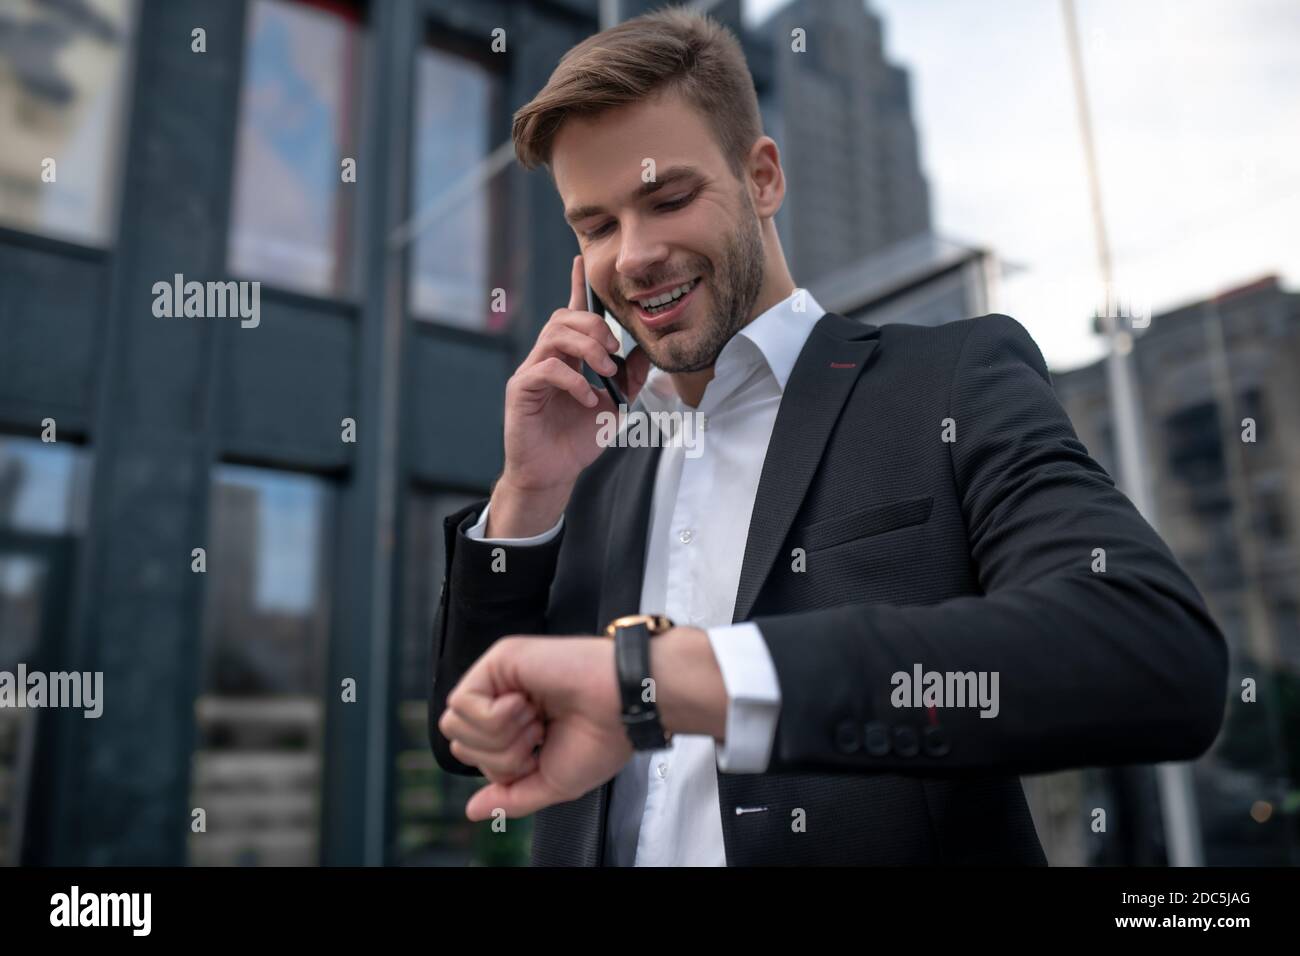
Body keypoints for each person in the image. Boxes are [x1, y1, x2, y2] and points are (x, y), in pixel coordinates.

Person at [428, 8, 1226, 866]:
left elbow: (1156, 654)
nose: (635, 255)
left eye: (668, 199)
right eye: (597, 226)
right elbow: (471, 741)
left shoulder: (949, 381)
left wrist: (673, 680)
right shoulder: (590, 458)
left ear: (763, 177)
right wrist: (527, 494)